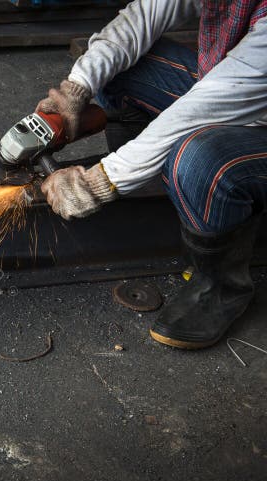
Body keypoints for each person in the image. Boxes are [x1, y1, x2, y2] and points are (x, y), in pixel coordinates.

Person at [37, 0, 267, 349]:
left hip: (246, 99)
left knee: (197, 156)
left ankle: (220, 286)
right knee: (111, 65)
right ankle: (150, 174)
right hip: (235, 87)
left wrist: (101, 181)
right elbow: (144, 15)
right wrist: (76, 88)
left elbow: (210, 104)